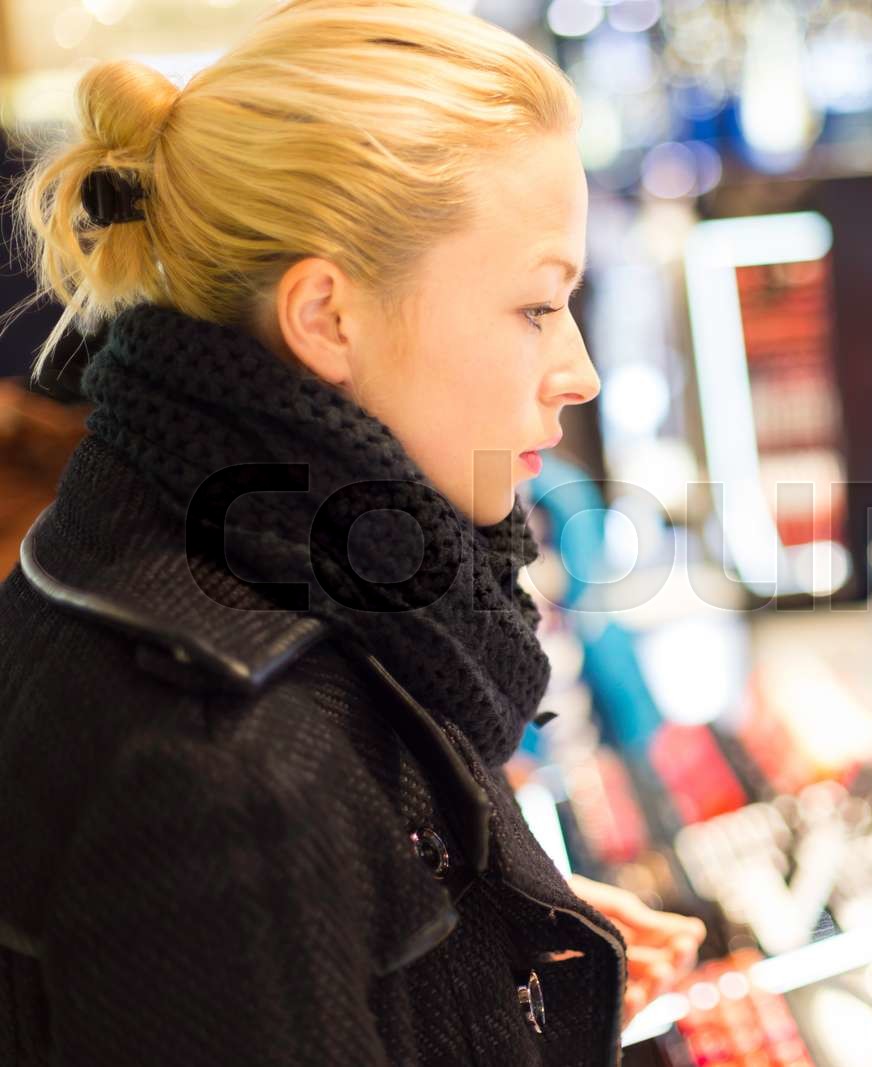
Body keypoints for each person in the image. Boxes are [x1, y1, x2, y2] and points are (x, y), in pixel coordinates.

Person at [0, 2, 703, 1063]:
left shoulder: (162, 528)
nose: (579, 371)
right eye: (535, 307)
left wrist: (476, 945)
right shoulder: (230, 772)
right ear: (327, 315)